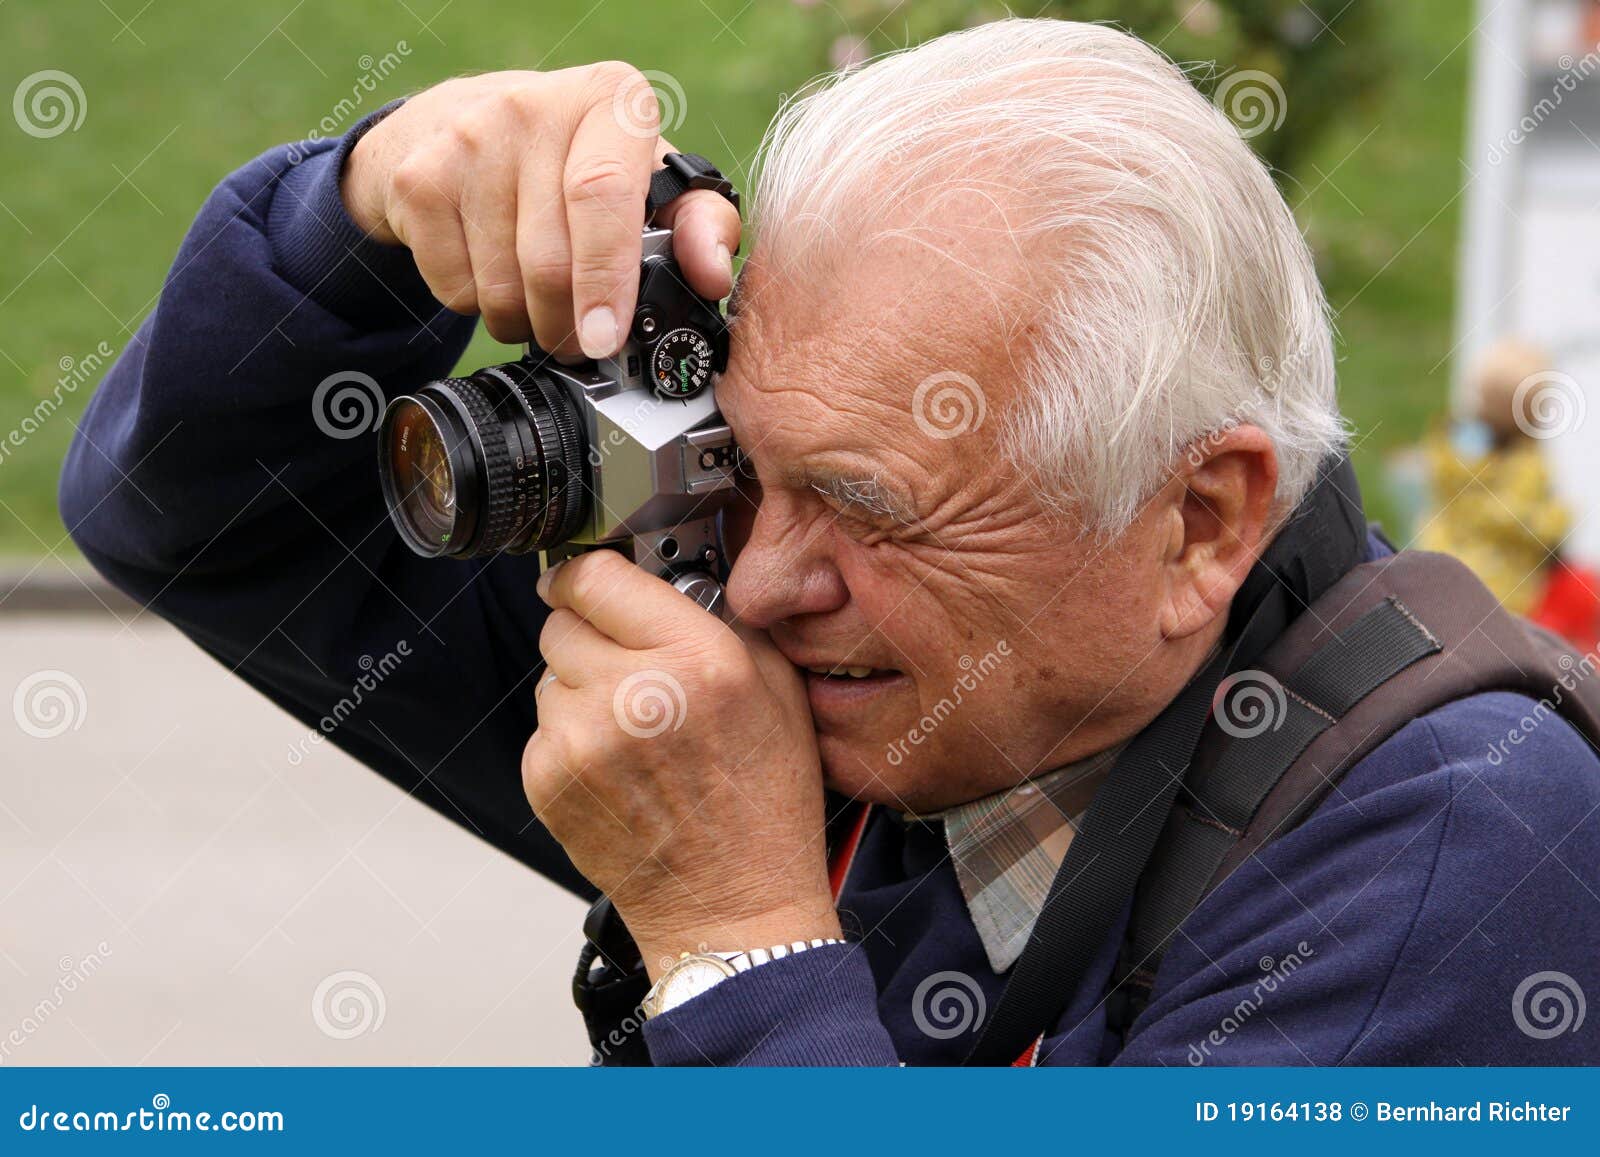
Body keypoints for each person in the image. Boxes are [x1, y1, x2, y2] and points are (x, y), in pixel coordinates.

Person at [60, 19, 1600, 1065]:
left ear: (1200, 520)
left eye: (869, 505)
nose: (759, 583)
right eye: (740, 465)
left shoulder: (1461, 856)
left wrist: (736, 940)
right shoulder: (852, 674)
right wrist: (361, 210)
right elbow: (204, 516)